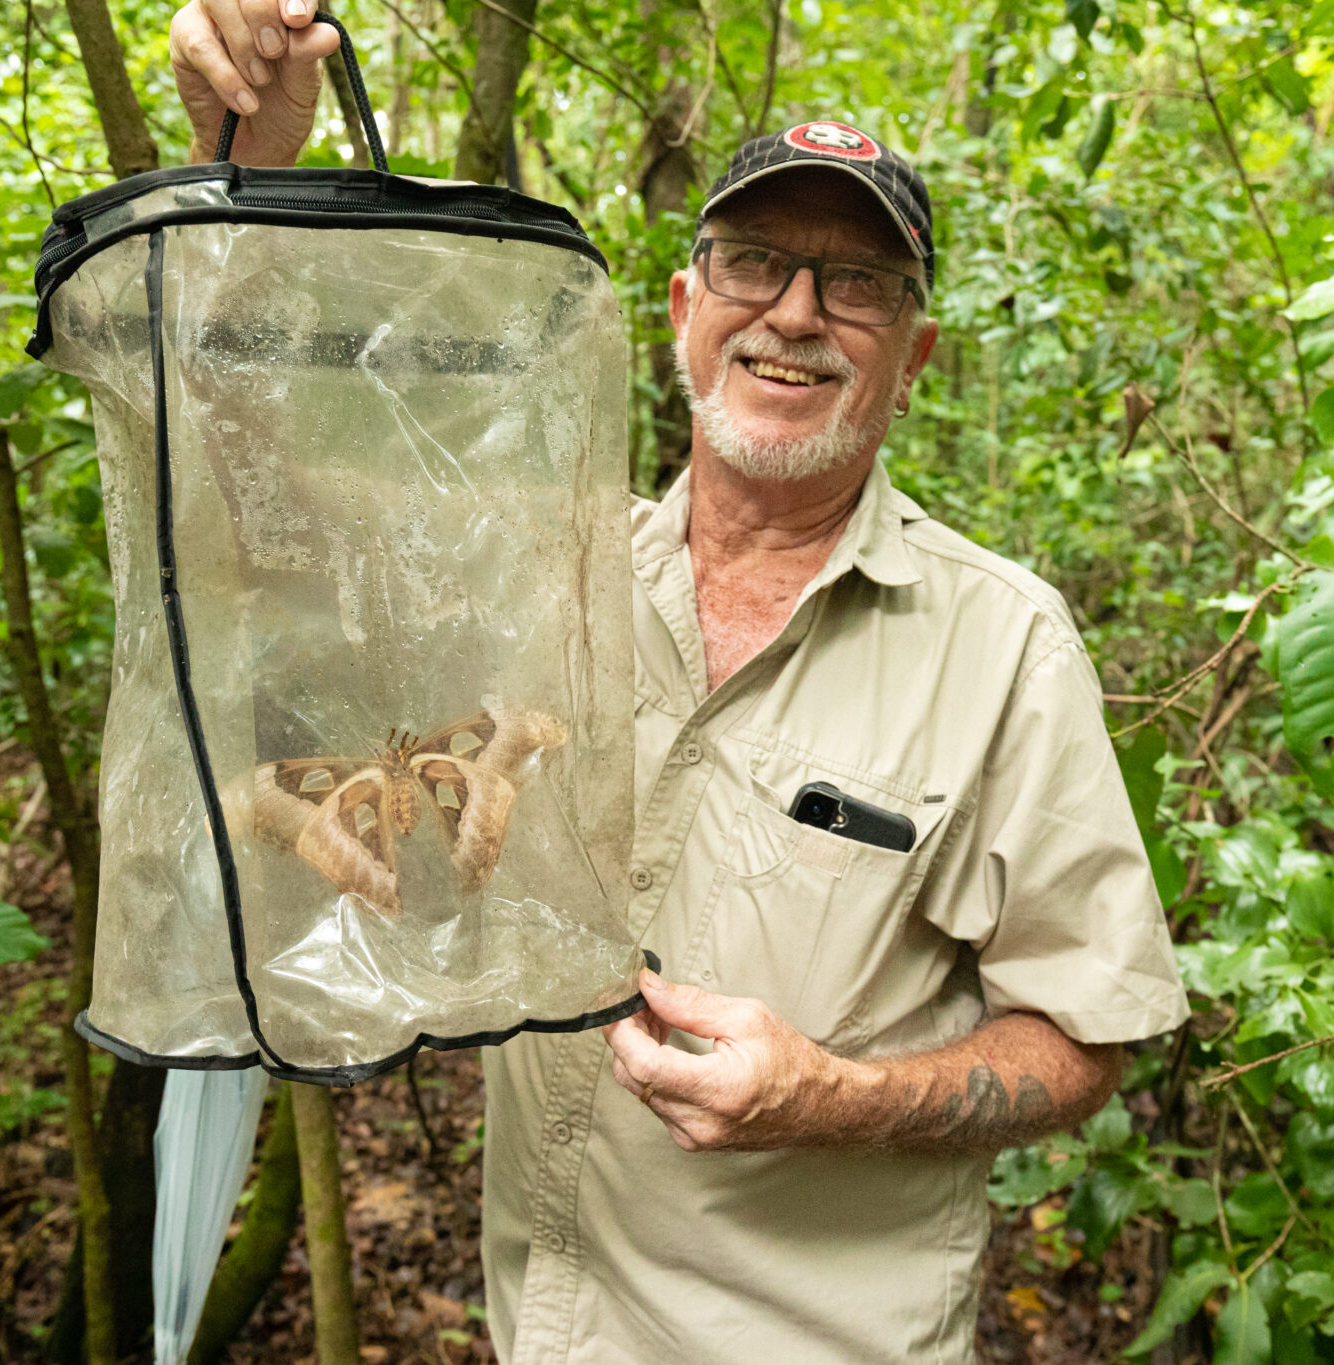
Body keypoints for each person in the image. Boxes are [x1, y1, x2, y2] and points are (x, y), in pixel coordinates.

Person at [169, 6, 1189, 1361]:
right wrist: (259, 160)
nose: (797, 314)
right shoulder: (535, 571)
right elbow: (269, 510)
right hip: (547, 1326)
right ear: (683, 309)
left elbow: (1087, 1033)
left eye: (858, 283)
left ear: (914, 358)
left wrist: (830, 1095)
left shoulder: (1005, 645)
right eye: (755, 263)